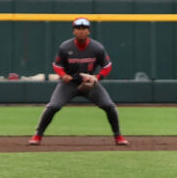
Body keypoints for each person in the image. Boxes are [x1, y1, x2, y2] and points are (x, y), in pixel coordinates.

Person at [28, 17, 128, 147]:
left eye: (84, 29)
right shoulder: (65, 47)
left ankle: (118, 136)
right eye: (78, 28)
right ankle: (37, 135)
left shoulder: (96, 47)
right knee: (53, 106)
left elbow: (107, 66)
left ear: (89, 31)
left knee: (109, 106)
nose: (81, 31)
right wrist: (63, 75)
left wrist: (97, 77)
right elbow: (57, 65)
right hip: (69, 83)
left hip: (89, 83)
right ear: (73, 31)